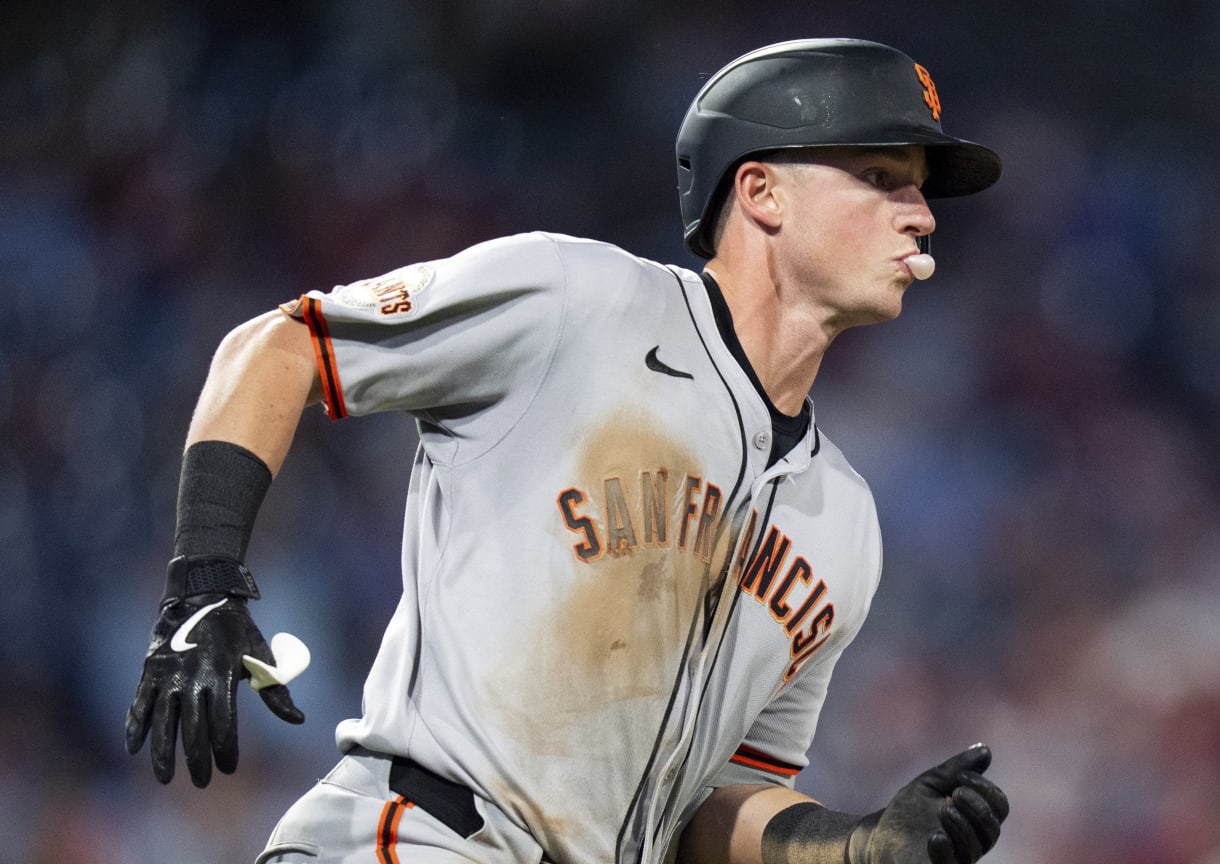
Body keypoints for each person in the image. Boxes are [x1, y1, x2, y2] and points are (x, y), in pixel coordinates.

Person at [125, 37, 1010, 864]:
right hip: (415, 836)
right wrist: (203, 582)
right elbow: (279, 348)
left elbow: (720, 798)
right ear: (762, 192)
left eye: (919, 188)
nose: (922, 216)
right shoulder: (574, 299)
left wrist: (855, 844)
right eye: (881, 176)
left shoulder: (845, 521)